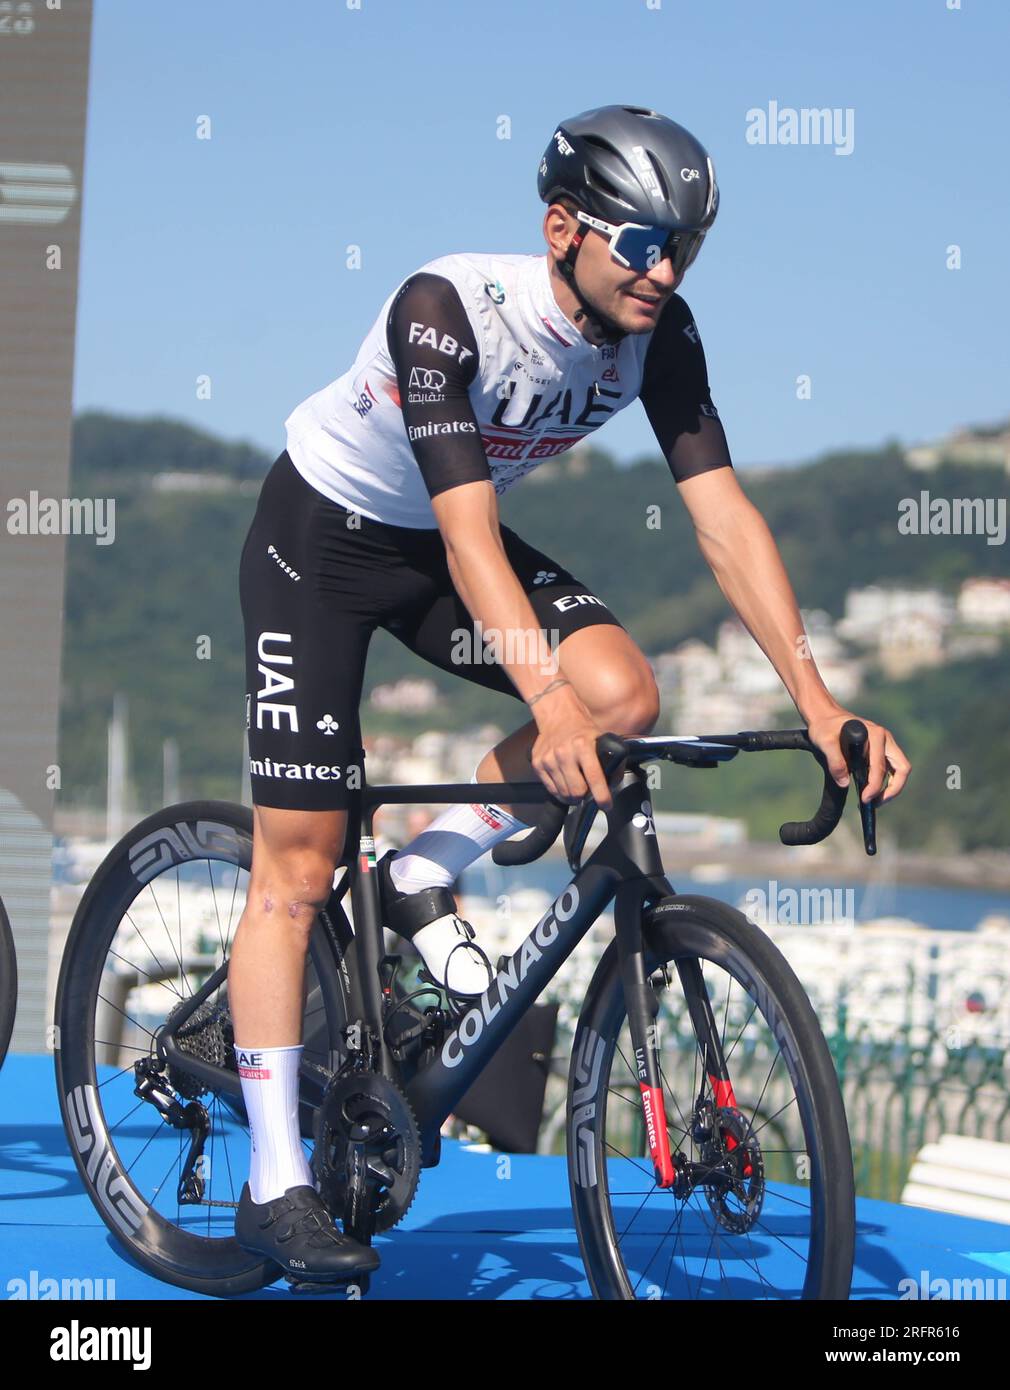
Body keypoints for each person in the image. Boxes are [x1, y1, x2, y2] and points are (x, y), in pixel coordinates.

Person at [231, 104, 911, 1282]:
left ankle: (419, 871)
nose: (665, 271)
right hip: (321, 544)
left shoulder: (659, 335)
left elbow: (722, 519)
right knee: (297, 865)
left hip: (440, 550)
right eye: (641, 243)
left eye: (683, 247)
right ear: (562, 229)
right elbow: (468, 533)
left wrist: (816, 699)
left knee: (621, 693)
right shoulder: (445, 310)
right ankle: (274, 1179)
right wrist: (539, 698)